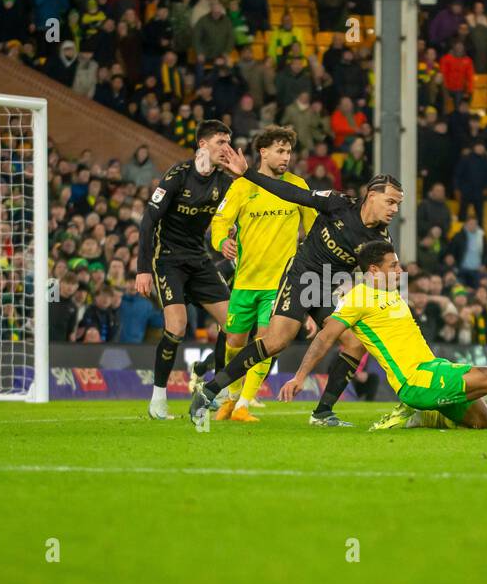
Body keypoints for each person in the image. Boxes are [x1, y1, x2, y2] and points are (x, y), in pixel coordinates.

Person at [277, 241, 487, 432]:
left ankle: (417, 415)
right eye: (393, 266)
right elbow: (325, 337)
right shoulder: (357, 298)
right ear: (373, 271)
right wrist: (299, 377)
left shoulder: (392, 293)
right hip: (418, 380)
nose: (399, 271)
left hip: (432, 370)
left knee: (482, 422)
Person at [189, 147, 403, 427]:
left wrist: (397, 309)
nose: (395, 210)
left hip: (327, 288)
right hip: (302, 275)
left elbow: (385, 280)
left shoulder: (379, 240)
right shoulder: (337, 203)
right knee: (276, 341)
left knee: (354, 343)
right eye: (390, 202)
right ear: (372, 196)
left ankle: (322, 412)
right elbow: (293, 194)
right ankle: (209, 391)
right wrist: (250, 174)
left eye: (398, 205)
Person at [203, 126, 315, 422]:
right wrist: (221, 242)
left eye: (289, 151)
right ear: (263, 152)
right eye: (280, 151)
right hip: (245, 281)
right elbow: (219, 221)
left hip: (279, 284)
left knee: (265, 341)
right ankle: (230, 398)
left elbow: (315, 230)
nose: (286, 157)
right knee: (235, 342)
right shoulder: (242, 186)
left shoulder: (298, 186)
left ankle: (243, 405)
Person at [135, 120, 239, 420]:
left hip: (199, 258)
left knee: (234, 326)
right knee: (177, 326)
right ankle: (158, 399)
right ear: (202, 145)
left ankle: (213, 387)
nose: (227, 148)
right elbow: (148, 221)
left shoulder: (226, 182)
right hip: (167, 259)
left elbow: (239, 212)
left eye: (229, 142)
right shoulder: (178, 176)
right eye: (221, 141)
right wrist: (143, 269)